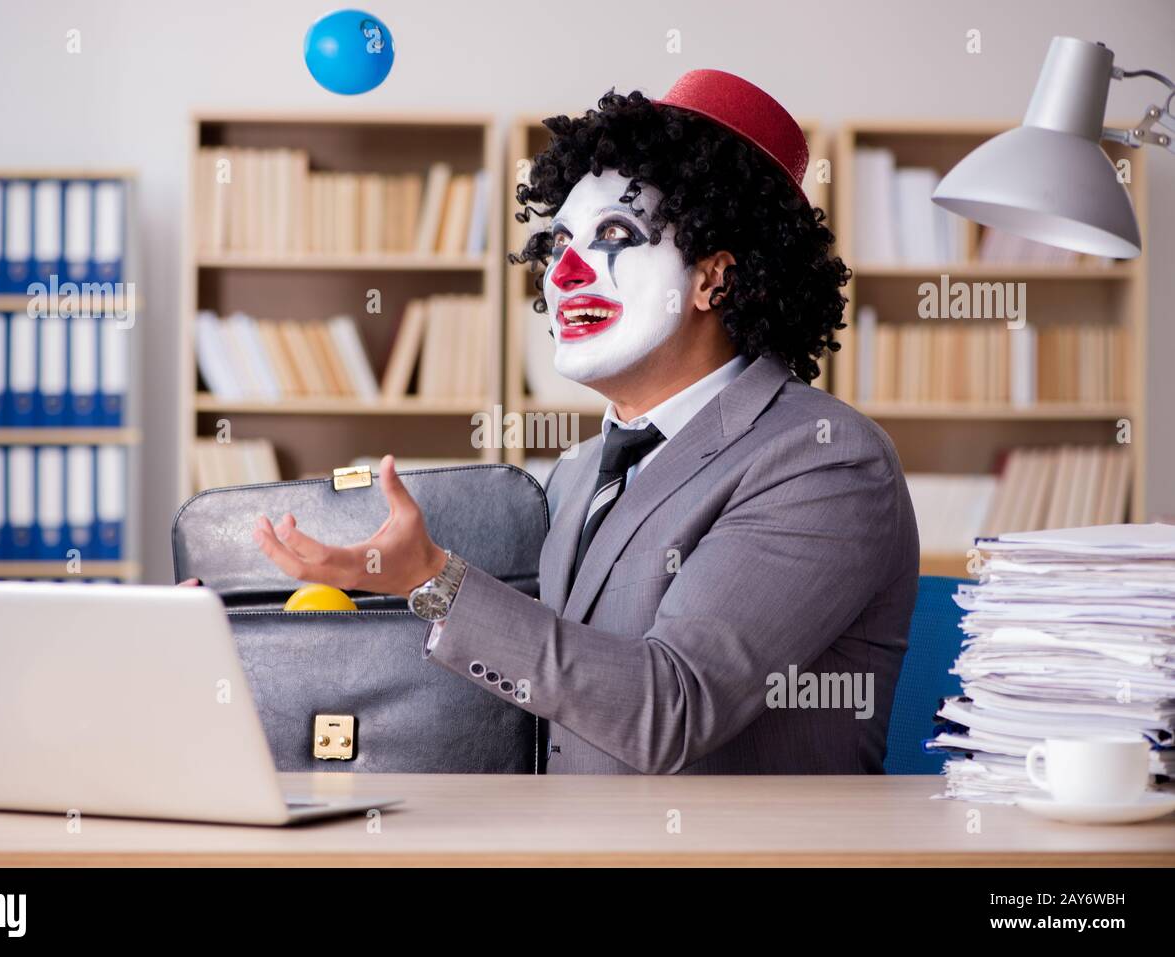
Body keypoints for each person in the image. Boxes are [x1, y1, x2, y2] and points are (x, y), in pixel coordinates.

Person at [253, 69, 920, 775]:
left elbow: (672, 707)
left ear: (713, 279)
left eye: (614, 233)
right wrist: (250, 642)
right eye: (561, 241)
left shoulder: (826, 460)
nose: (563, 273)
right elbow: (530, 670)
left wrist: (437, 577)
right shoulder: (577, 471)